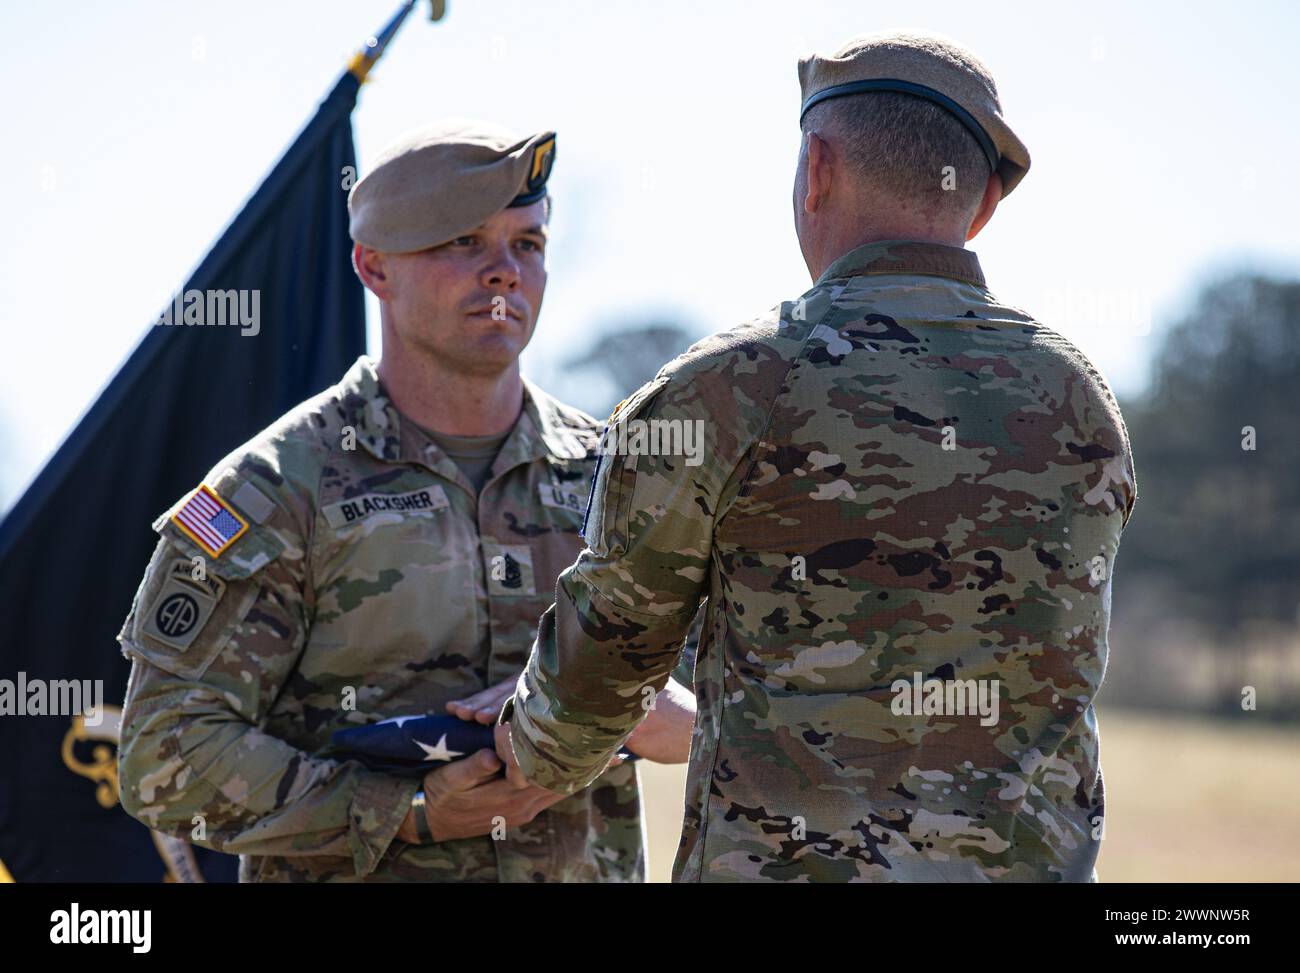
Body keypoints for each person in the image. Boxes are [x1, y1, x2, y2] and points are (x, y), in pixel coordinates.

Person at [497, 31, 1138, 882]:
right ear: (983, 203)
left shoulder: (724, 391)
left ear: (816, 169)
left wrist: (515, 751)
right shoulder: (1081, 402)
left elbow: (597, 673)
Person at [117, 119, 694, 883]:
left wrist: (657, 715)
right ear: (373, 266)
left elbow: (752, 703)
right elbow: (164, 753)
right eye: (463, 242)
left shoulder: (616, 483)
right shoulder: (277, 490)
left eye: (528, 244)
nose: (503, 272)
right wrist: (404, 810)